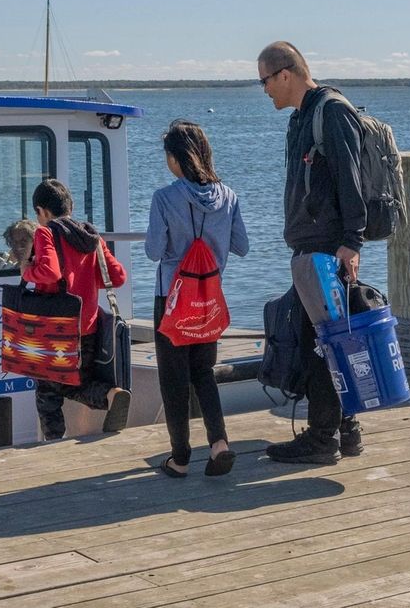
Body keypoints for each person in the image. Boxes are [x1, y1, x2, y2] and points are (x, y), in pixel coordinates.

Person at [258, 40, 367, 464]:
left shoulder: (332, 111)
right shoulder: (302, 117)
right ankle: (345, 431)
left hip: (328, 251)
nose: (265, 89)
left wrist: (352, 242)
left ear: (285, 74)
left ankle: (323, 439)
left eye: (265, 80)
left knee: (320, 346)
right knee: (329, 342)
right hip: (310, 249)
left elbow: (350, 180)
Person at [145, 119, 249, 478]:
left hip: (171, 300)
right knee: (204, 372)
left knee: (174, 380)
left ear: (176, 158)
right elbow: (242, 246)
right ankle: (219, 443)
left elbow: (153, 251)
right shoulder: (228, 196)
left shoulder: (164, 198)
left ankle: (180, 458)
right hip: (208, 300)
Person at [21, 178, 132, 440]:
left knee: (48, 392)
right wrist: (87, 279)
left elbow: (50, 272)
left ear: (41, 211)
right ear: (70, 207)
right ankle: (111, 394)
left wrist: (27, 271)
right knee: (76, 384)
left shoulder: (45, 233)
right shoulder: (91, 236)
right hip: (88, 330)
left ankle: (53, 443)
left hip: (55, 329)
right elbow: (118, 277)